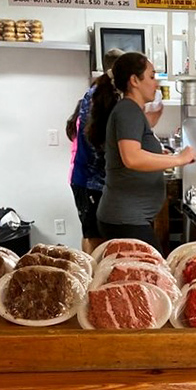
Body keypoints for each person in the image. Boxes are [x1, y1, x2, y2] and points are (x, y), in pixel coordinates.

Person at [87, 52, 196, 250]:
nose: (156, 83)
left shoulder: (131, 111)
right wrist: (179, 159)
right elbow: (132, 158)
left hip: (128, 219)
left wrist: (159, 156)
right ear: (134, 81)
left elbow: (134, 150)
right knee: (155, 267)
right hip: (125, 219)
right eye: (152, 76)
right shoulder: (128, 111)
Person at [67, 47, 123, 255]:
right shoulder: (97, 97)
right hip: (88, 180)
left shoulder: (106, 95)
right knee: (94, 237)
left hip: (95, 180)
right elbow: (97, 143)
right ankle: (92, 272)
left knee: (95, 234)